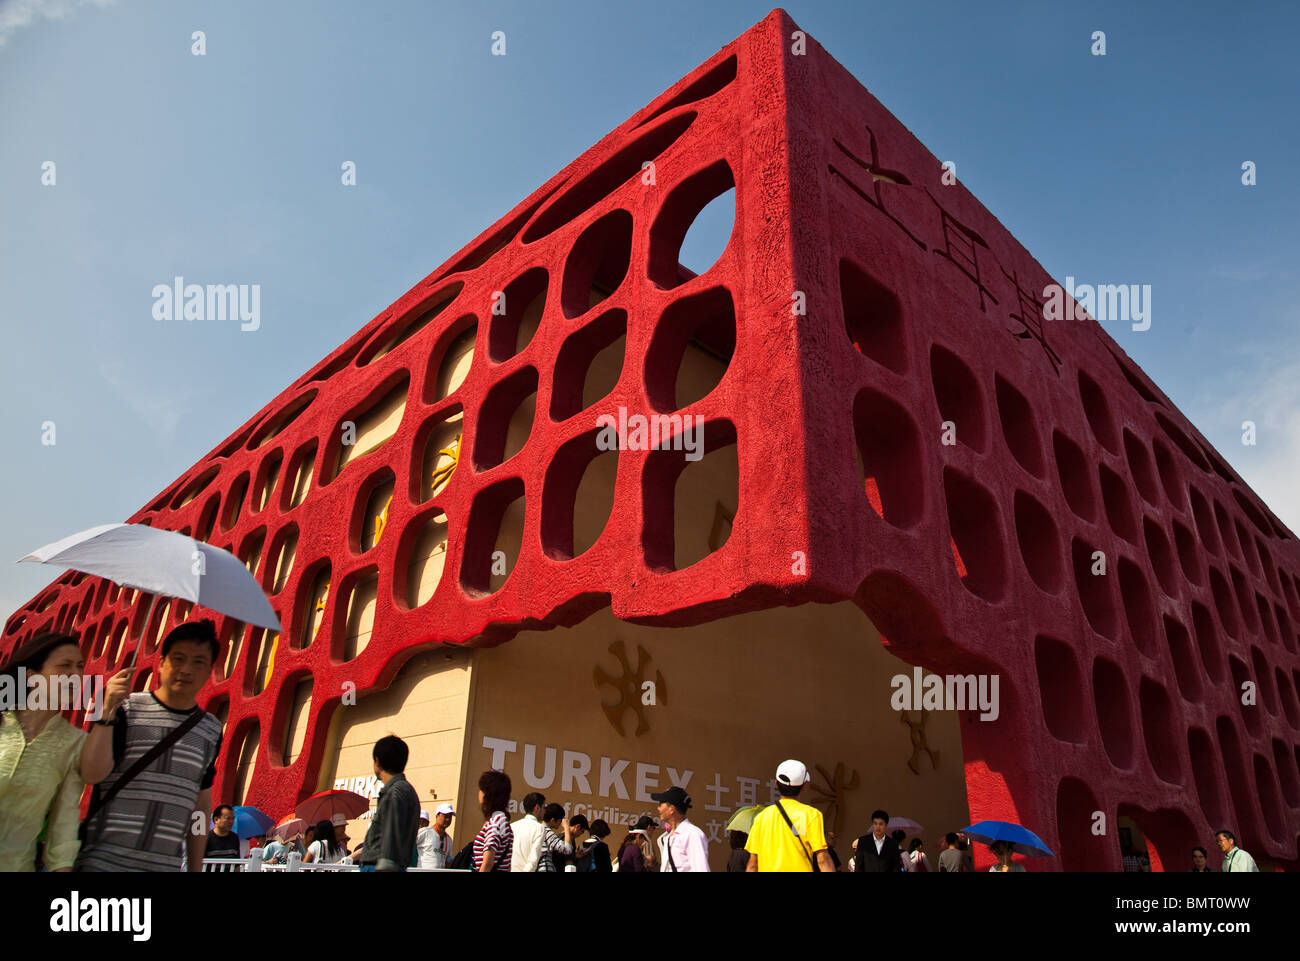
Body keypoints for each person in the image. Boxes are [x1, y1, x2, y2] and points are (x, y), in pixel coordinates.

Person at [77, 619, 224, 872]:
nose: (186, 669)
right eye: (178, 658)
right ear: (161, 663)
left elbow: (199, 806)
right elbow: (91, 774)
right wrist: (106, 711)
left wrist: (196, 867)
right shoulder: (126, 709)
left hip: (162, 866)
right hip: (103, 863)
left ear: (210, 669)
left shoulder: (210, 730)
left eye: (198, 662)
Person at [0, 632, 99, 872]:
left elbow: (63, 827)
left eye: (80, 667)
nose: (76, 675)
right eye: (65, 666)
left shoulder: (76, 743)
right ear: (32, 678)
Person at [745, 759, 833, 872]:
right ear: (804, 787)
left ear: (776, 783)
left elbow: (753, 865)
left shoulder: (761, 817)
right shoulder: (811, 815)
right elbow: (823, 860)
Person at [356, 734, 420, 872]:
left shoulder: (395, 792)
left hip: (379, 866)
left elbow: (391, 835)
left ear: (377, 762)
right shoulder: (407, 791)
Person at [652, 785, 709, 872]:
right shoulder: (669, 837)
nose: (658, 808)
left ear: (671, 809)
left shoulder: (692, 834)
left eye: (661, 804)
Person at [472, 769, 514, 872]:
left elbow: (487, 863)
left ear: (488, 794)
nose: (479, 793)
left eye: (481, 790)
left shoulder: (496, 821)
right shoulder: (501, 820)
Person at [510, 791, 547, 872]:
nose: (545, 811)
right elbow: (533, 860)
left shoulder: (512, 826)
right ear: (537, 807)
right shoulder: (539, 828)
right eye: (544, 807)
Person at [416, 803, 455, 869]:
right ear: (437, 816)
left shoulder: (449, 840)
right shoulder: (425, 832)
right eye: (445, 816)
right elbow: (407, 843)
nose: (448, 819)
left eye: (450, 817)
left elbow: (448, 861)